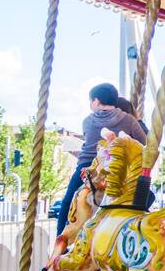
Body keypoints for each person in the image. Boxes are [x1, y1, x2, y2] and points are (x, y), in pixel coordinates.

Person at [54, 83, 147, 235]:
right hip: (118, 167)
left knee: (68, 201)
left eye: (91, 101)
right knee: (139, 200)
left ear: (96, 101)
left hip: (88, 165)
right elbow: (142, 143)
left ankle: (60, 237)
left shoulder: (88, 121)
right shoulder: (129, 120)